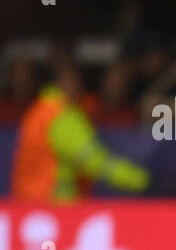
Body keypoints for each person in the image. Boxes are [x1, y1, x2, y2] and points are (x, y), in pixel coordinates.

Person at [10, 59, 148, 203]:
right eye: (75, 82)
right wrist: (138, 180)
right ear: (63, 83)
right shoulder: (61, 116)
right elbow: (94, 160)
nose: (79, 88)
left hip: (25, 203)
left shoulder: (39, 109)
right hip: (53, 204)